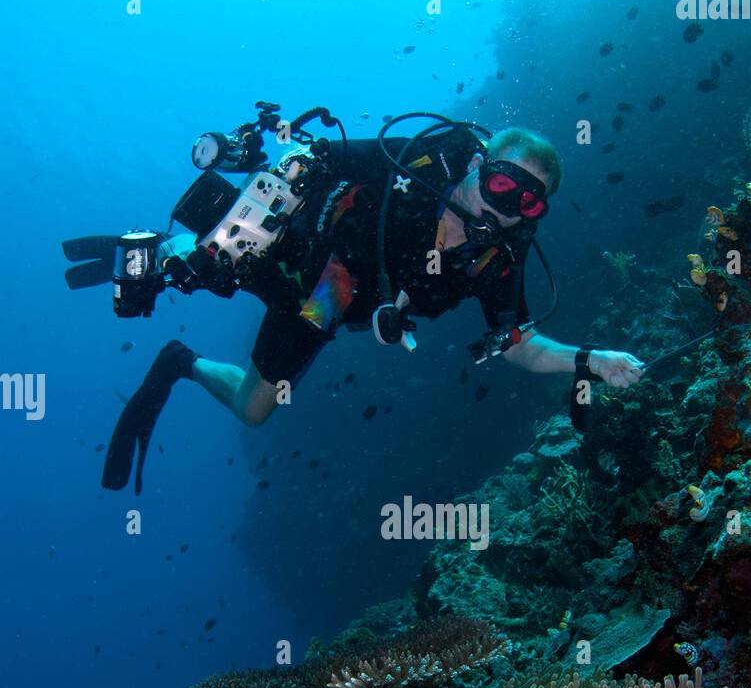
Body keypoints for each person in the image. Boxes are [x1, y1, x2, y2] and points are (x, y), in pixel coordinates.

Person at [68, 122, 645, 490]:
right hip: (304, 253)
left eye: (528, 204)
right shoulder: (414, 164)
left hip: (334, 304)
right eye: (501, 187)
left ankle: (180, 361)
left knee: (252, 410)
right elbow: (314, 155)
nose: (507, 209)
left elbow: (519, 346)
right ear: (477, 168)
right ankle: (171, 252)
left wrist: (592, 360)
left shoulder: (499, 257)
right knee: (218, 271)